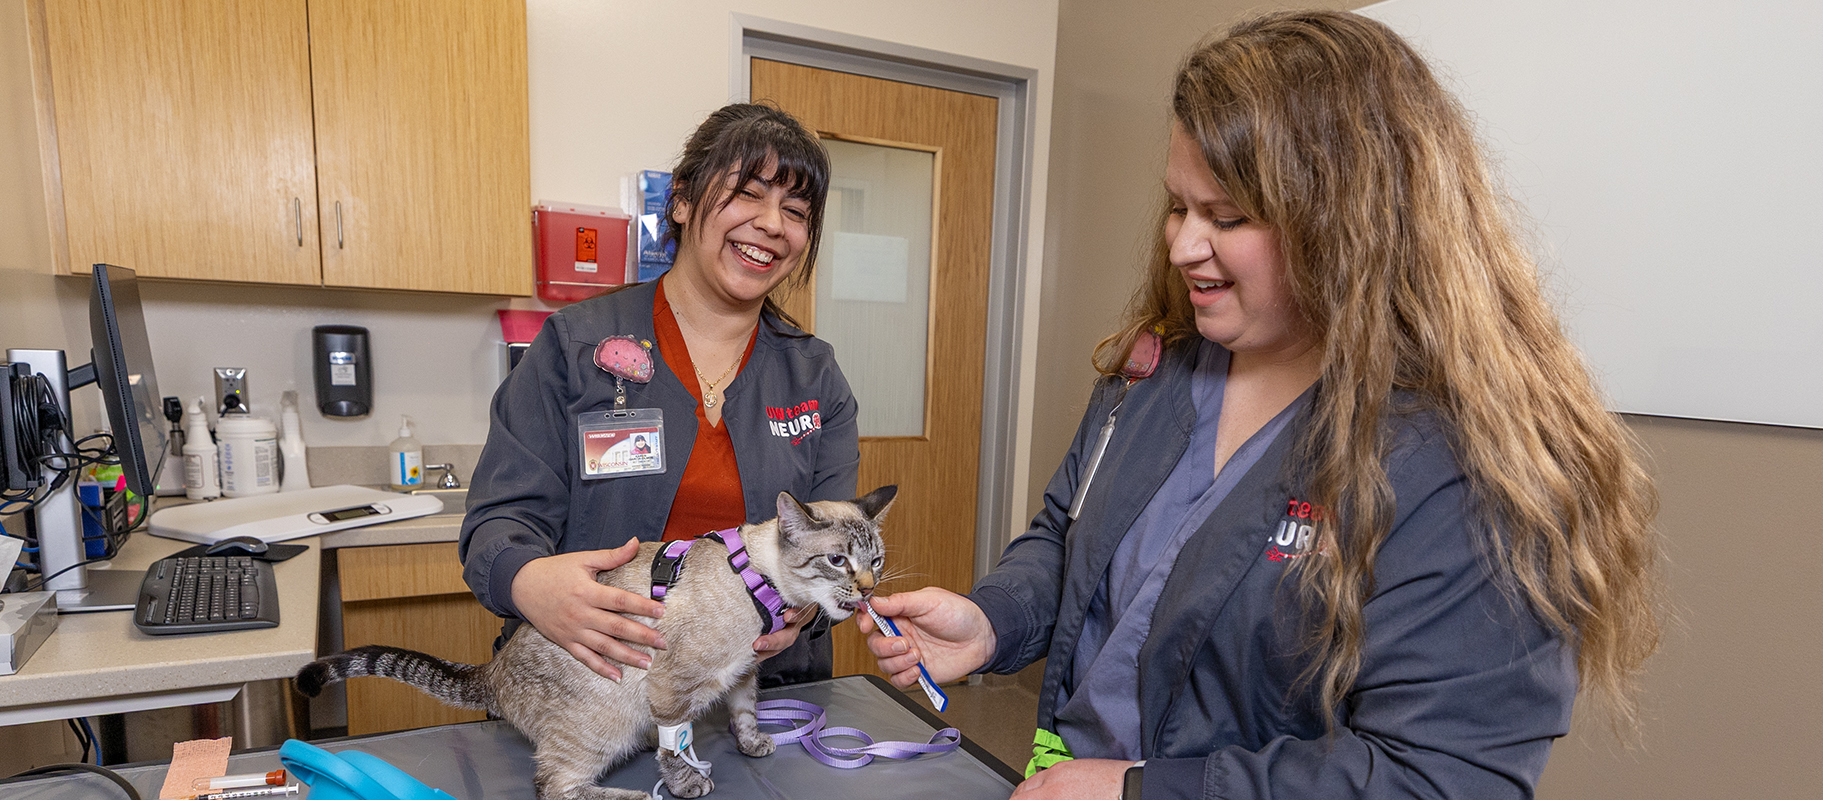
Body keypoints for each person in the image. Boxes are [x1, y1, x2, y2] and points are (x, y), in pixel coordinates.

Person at [861, 11, 1661, 799]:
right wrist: (994, 620)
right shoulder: (1153, 375)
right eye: (1179, 206)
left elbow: (1435, 779)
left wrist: (1139, 790)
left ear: (1347, 224)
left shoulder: (1461, 465)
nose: (1181, 246)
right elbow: (1069, 544)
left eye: (1227, 217)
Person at [461, 103, 860, 686]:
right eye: (748, 193)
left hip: (762, 695)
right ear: (682, 200)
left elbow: (835, 544)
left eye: (796, 211)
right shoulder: (576, 347)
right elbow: (499, 521)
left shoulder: (814, 377)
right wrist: (528, 582)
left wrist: (802, 613)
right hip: (596, 686)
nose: (773, 223)